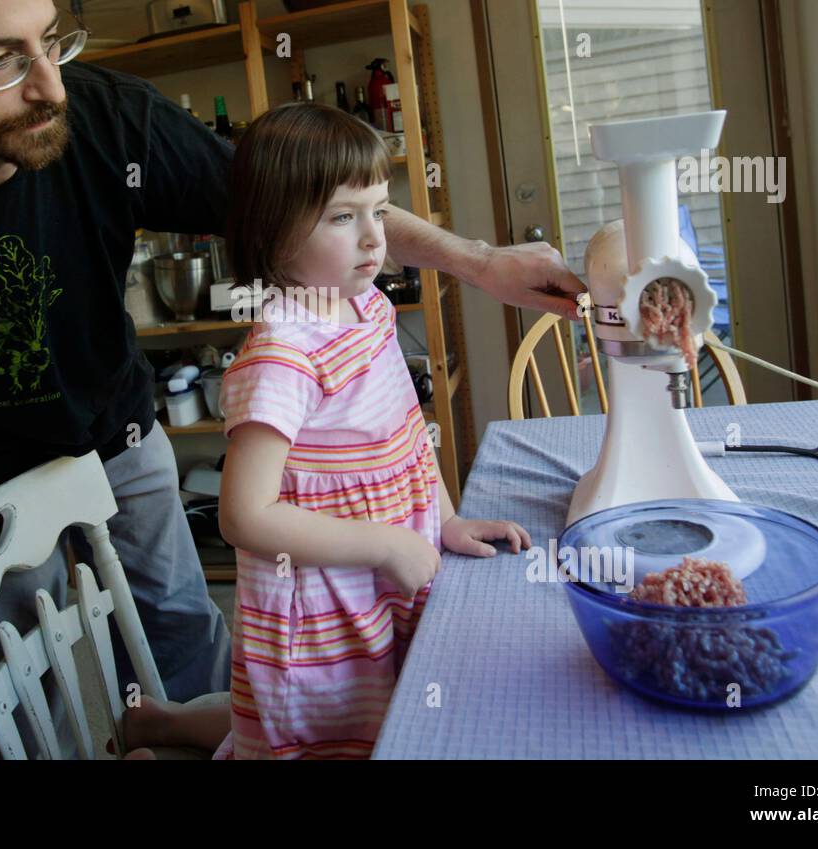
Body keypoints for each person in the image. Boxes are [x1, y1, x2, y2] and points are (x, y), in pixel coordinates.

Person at [0, 0, 583, 759]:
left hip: (122, 437)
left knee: (188, 647)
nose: (47, 88)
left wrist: (480, 261)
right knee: (20, 701)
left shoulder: (106, 116)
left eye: (51, 40)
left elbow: (303, 207)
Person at [115, 103, 534, 760]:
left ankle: (160, 724)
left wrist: (444, 521)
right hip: (322, 608)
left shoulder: (366, 305)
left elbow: (405, 441)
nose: (374, 236)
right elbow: (243, 515)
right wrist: (385, 545)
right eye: (343, 216)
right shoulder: (283, 354)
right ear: (271, 231)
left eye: (379, 209)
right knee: (307, 736)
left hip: (377, 574)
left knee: (357, 718)